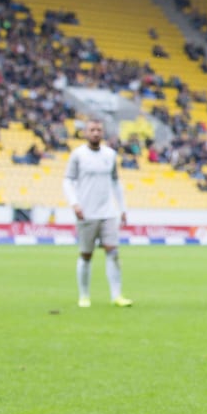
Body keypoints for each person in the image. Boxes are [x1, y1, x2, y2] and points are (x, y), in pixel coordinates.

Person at [62, 118, 132, 308]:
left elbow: (116, 182)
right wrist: (74, 203)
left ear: (103, 133)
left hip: (108, 212)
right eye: (92, 130)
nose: (95, 133)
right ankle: (84, 296)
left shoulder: (110, 155)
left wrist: (123, 208)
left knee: (113, 252)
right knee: (86, 255)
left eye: (99, 130)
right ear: (85, 132)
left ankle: (116, 296)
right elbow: (68, 180)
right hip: (86, 213)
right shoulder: (78, 155)